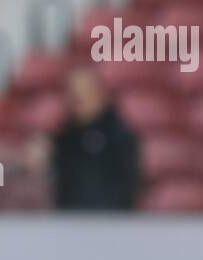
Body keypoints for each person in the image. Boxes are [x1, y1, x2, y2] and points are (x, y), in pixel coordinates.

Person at [51, 67, 140, 210]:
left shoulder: (118, 135)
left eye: (83, 93)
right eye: (73, 93)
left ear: (98, 93)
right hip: (68, 223)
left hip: (110, 222)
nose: (77, 99)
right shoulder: (63, 136)